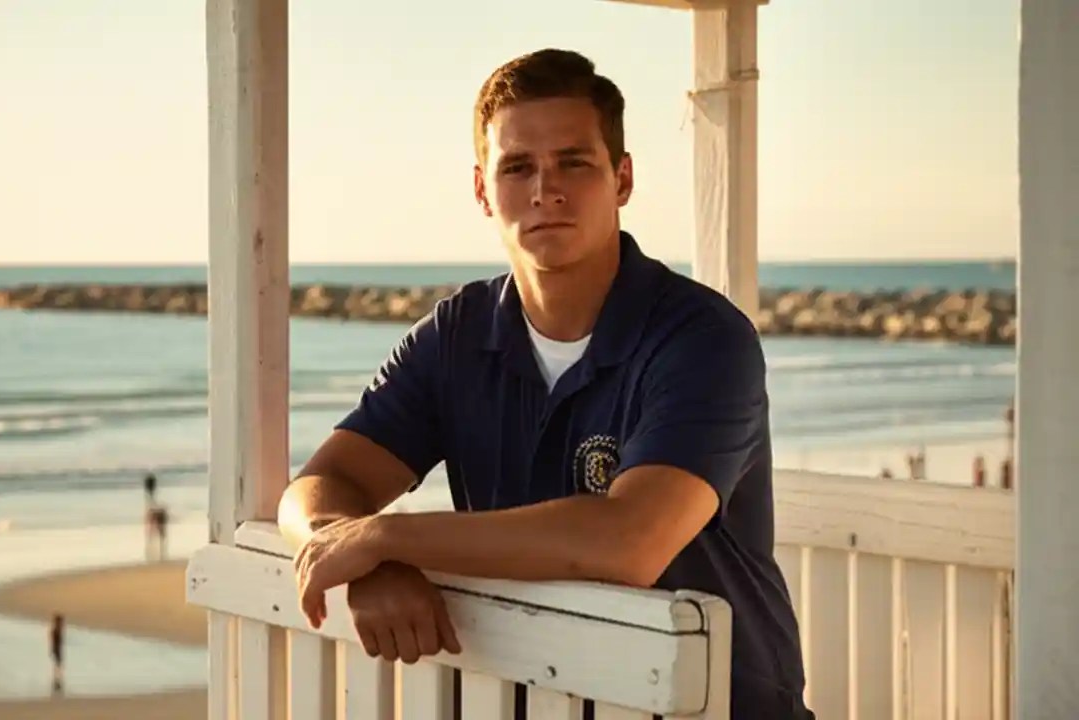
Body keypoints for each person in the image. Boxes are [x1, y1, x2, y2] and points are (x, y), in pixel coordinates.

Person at [277, 49, 812, 719]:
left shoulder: (703, 339)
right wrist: (357, 556)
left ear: (622, 179)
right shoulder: (455, 336)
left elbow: (628, 544)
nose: (545, 191)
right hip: (532, 696)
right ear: (482, 191)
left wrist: (389, 539)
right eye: (517, 167)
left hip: (710, 704)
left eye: (574, 163)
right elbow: (315, 490)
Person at [49, 614, 64, 694]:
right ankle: (56, 681)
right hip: (57, 649)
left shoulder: (57, 630)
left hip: (58, 649)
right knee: (58, 665)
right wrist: (53, 650)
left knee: (58, 665)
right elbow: (54, 642)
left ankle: (57, 680)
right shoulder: (56, 630)